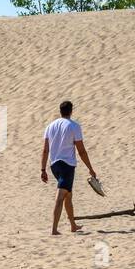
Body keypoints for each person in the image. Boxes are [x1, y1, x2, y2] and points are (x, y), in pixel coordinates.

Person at [40, 100, 97, 235]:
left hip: (54, 165)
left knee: (68, 195)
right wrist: (90, 168)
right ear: (71, 111)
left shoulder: (50, 126)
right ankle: (54, 229)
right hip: (67, 166)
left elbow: (45, 150)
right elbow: (81, 150)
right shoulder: (74, 126)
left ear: (60, 111)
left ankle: (73, 225)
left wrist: (43, 169)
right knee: (61, 196)